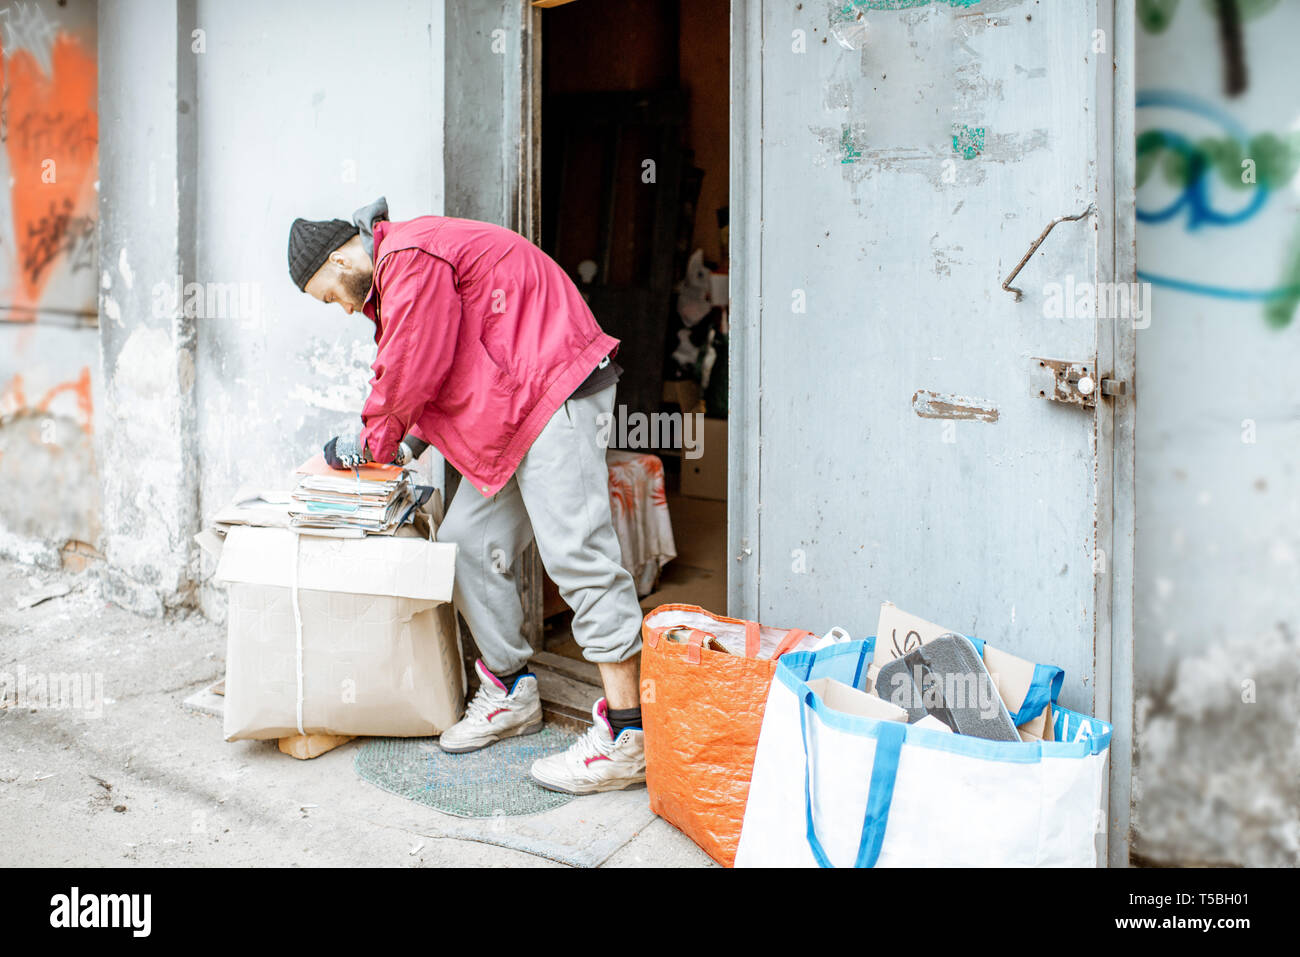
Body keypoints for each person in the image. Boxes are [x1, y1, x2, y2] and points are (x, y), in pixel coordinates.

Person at [286, 198, 645, 794]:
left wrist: (371, 440)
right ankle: (511, 691)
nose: (344, 308)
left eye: (331, 295)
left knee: (577, 556)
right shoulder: (402, 267)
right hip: (516, 405)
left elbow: (408, 368)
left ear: (341, 255)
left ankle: (629, 737)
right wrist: (400, 446)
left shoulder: (407, 255)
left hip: (554, 390)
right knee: (464, 545)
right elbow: (446, 366)